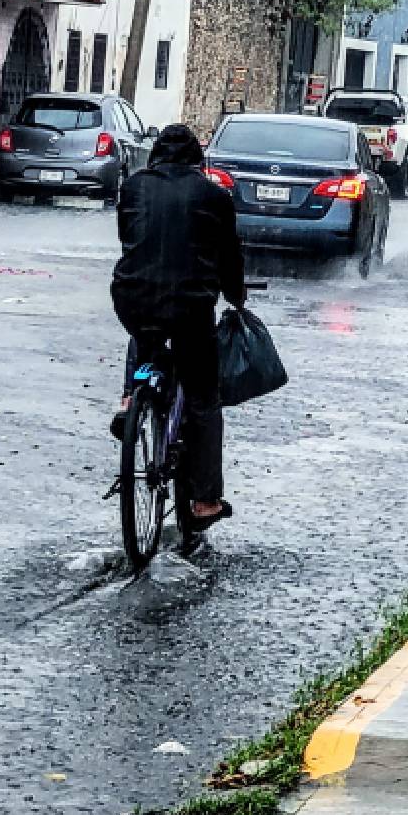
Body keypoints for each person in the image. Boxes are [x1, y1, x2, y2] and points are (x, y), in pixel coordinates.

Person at [109, 124, 245, 536]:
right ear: (195, 160)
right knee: (203, 397)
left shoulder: (133, 188)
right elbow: (229, 257)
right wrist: (236, 296)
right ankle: (204, 501)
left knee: (145, 333)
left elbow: (129, 238)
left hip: (132, 295)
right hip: (190, 305)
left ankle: (131, 398)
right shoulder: (214, 196)